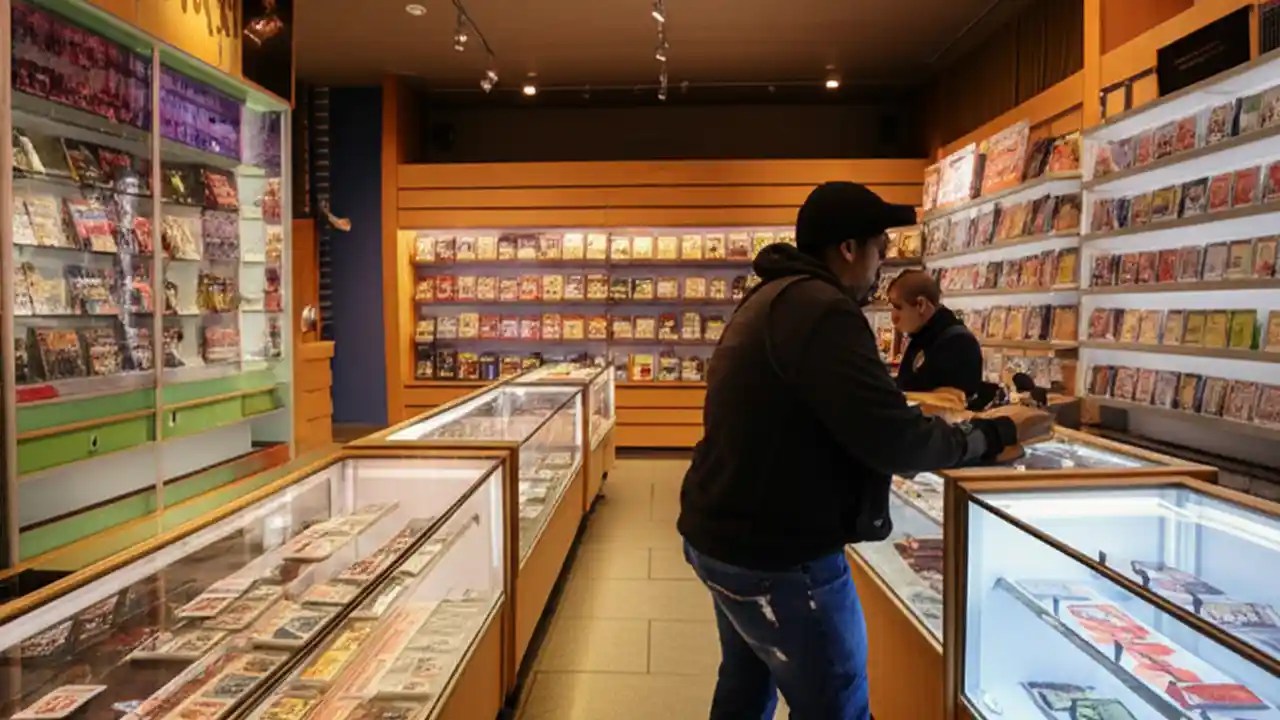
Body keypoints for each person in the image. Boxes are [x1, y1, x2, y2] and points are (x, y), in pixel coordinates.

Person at [678, 181, 1050, 720]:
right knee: (837, 706)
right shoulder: (822, 309)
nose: (882, 265)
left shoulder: (772, 297)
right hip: (781, 554)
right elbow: (895, 438)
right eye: (879, 248)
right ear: (848, 249)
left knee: (746, 683)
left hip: (724, 533)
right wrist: (989, 435)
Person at [889, 270, 986, 407]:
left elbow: (950, 403)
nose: (893, 318)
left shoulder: (958, 344)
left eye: (898, 307)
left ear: (921, 305)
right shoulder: (924, 337)